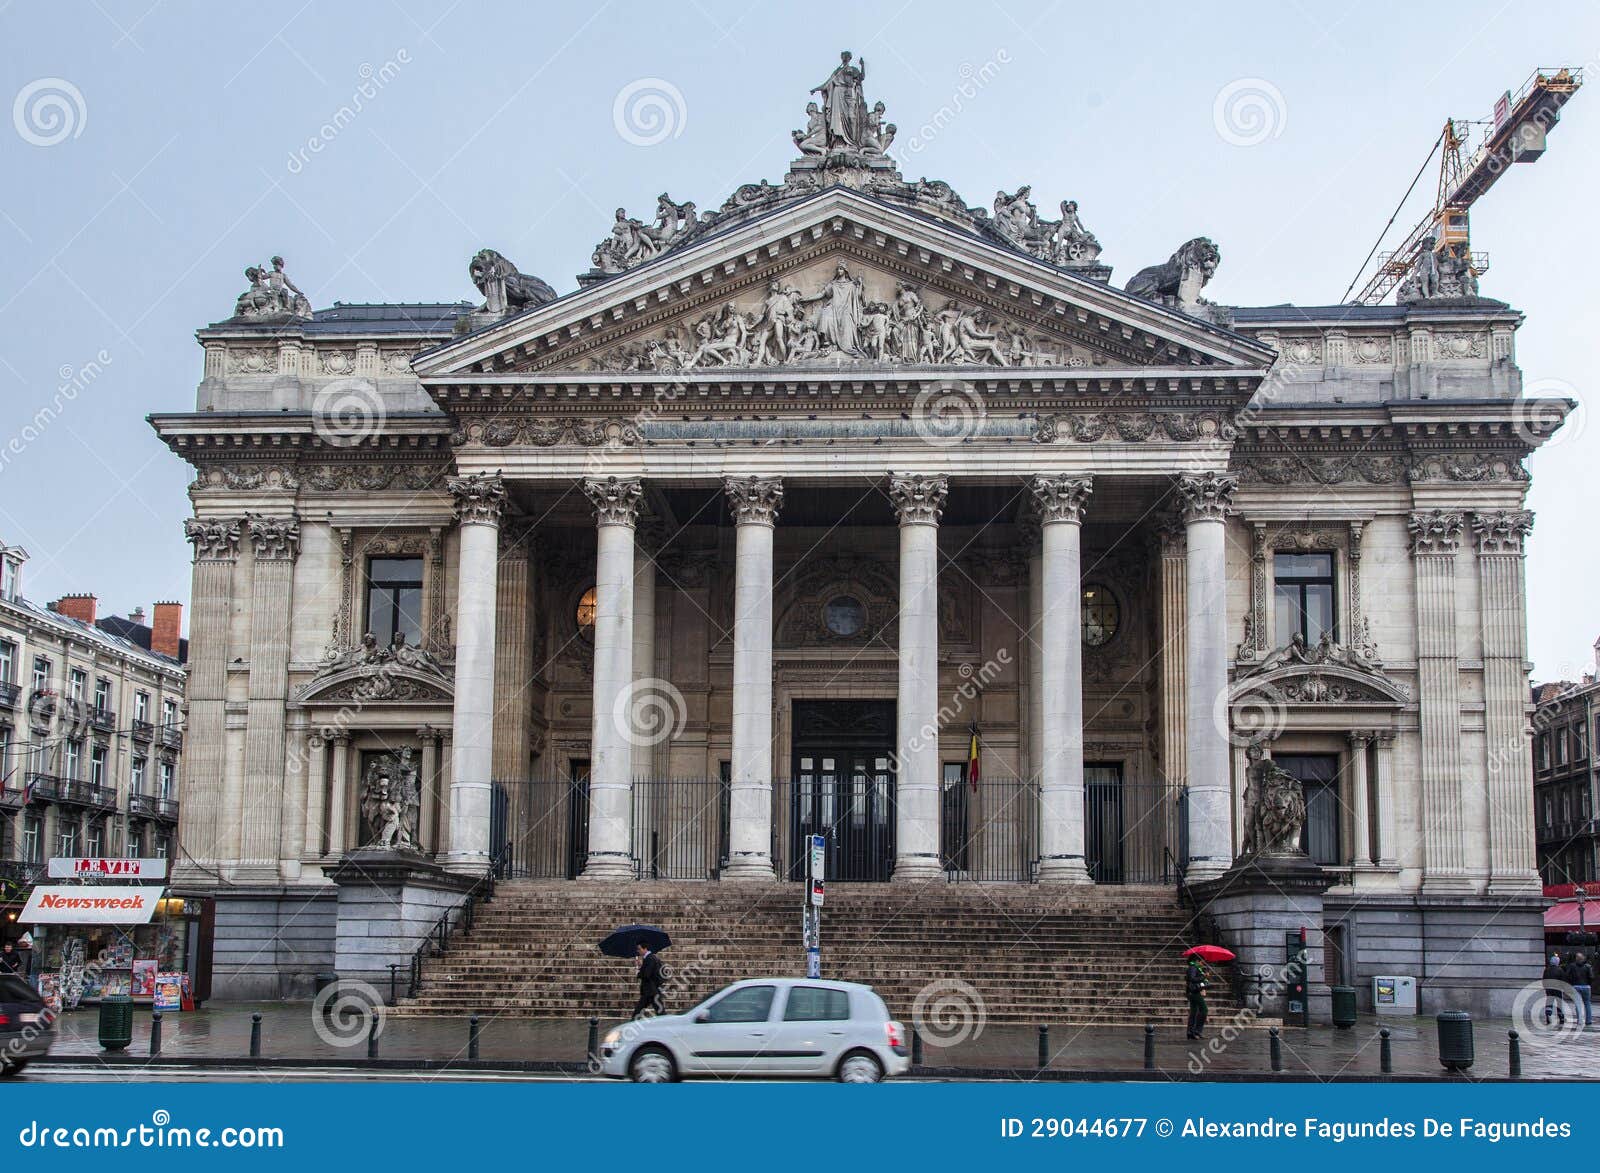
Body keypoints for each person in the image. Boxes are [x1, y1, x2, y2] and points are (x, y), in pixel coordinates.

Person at [632, 942, 664, 1020]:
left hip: (649, 991)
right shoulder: (651, 958)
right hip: (652, 991)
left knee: (637, 1012)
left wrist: (639, 972)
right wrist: (641, 966)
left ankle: (632, 1025)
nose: (638, 951)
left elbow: (646, 974)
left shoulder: (650, 958)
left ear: (645, 948)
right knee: (660, 1012)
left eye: (639, 949)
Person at [1564, 951, 1594, 1028]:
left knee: (1578, 1004)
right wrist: (1589, 984)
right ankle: (1588, 1020)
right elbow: (1591, 977)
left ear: (1576, 958)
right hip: (1586, 986)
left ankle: (1580, 1020)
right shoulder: (1588, 966)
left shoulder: (1572, 966)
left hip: (1576, 986)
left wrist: (1571, 983)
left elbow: (1567, 975)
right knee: (1587, 1004)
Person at [1185, 958, 1208, 1040]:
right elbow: (1192, 979)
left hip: (1194, 992)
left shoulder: (1196, 968)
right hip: (1194, 992)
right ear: (1197, 960)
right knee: (1204, 1010)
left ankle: (1191, 1032)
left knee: (1194, 1012)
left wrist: (1204, 978)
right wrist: (1203, 976)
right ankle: (1197, 1031)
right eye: (1202, 962)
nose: (1203, 963)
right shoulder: (1193, 968)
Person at [1544, 953, 1570, 1026]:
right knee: (1559, 1003)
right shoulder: (1560, 970)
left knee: (1549, 1002)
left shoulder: (1547, 970)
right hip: (1557, 989)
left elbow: (1544, 979)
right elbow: (1563, 980)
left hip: (1549, 988)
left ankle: (1548, 1015)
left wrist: (1545, 987)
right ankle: (1561, 1017)